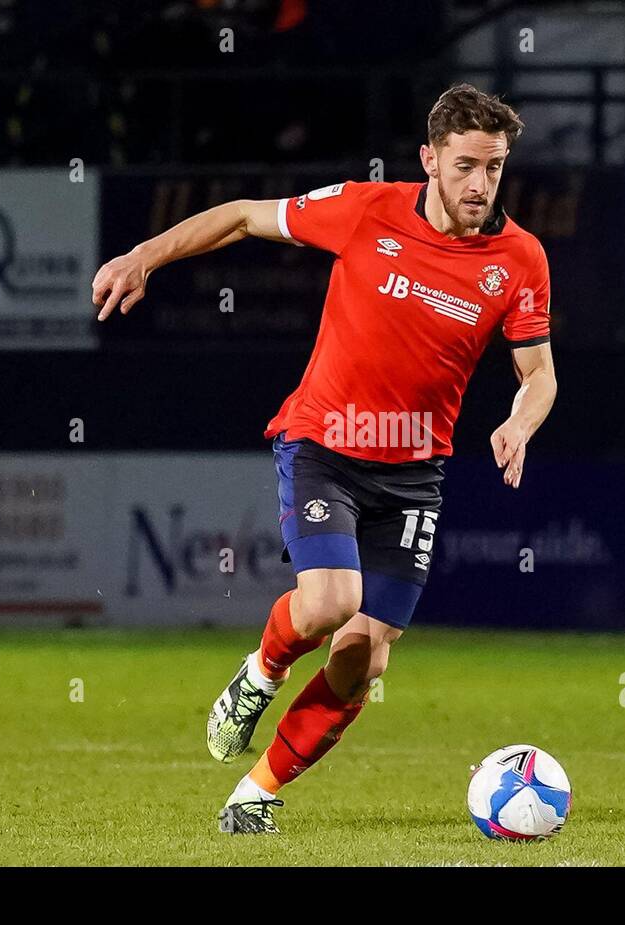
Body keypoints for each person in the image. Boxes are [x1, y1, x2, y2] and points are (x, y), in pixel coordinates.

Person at [93, 83, 556, 833]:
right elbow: (244, 217)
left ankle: (255, 796)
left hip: (415, 475)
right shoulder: (367, 210)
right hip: (325, 445)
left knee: (364, 658)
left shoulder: (519, 259)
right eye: (466, 164)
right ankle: (262, 671)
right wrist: (145, 256)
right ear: (429, 159)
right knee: (330, 605)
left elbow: (539, 373)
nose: (480, 184)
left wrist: (521, 422)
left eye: (495, 168)